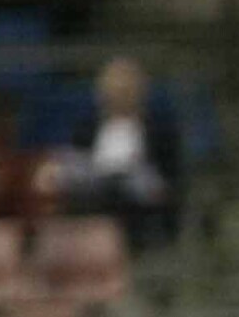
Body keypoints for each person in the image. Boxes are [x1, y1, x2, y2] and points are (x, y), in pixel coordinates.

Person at [49, 56, 185, 251]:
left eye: (126, 90)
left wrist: (150, 186)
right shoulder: (87, 129)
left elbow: (172, 181)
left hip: (140, 211)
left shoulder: (160, 131)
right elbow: (75, 167)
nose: (119, 96)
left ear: (140, 92)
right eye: (113, 90)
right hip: (95, 205)